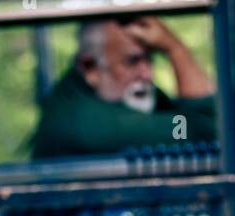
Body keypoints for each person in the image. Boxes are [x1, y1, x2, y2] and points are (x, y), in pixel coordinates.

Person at [32, 17, 217, 158]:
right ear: (90, 68)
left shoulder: (104, 97)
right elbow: (204, 131)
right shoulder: (81, 122)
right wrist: (176, 49)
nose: (147, 75)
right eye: (132, 61)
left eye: (150, 59)